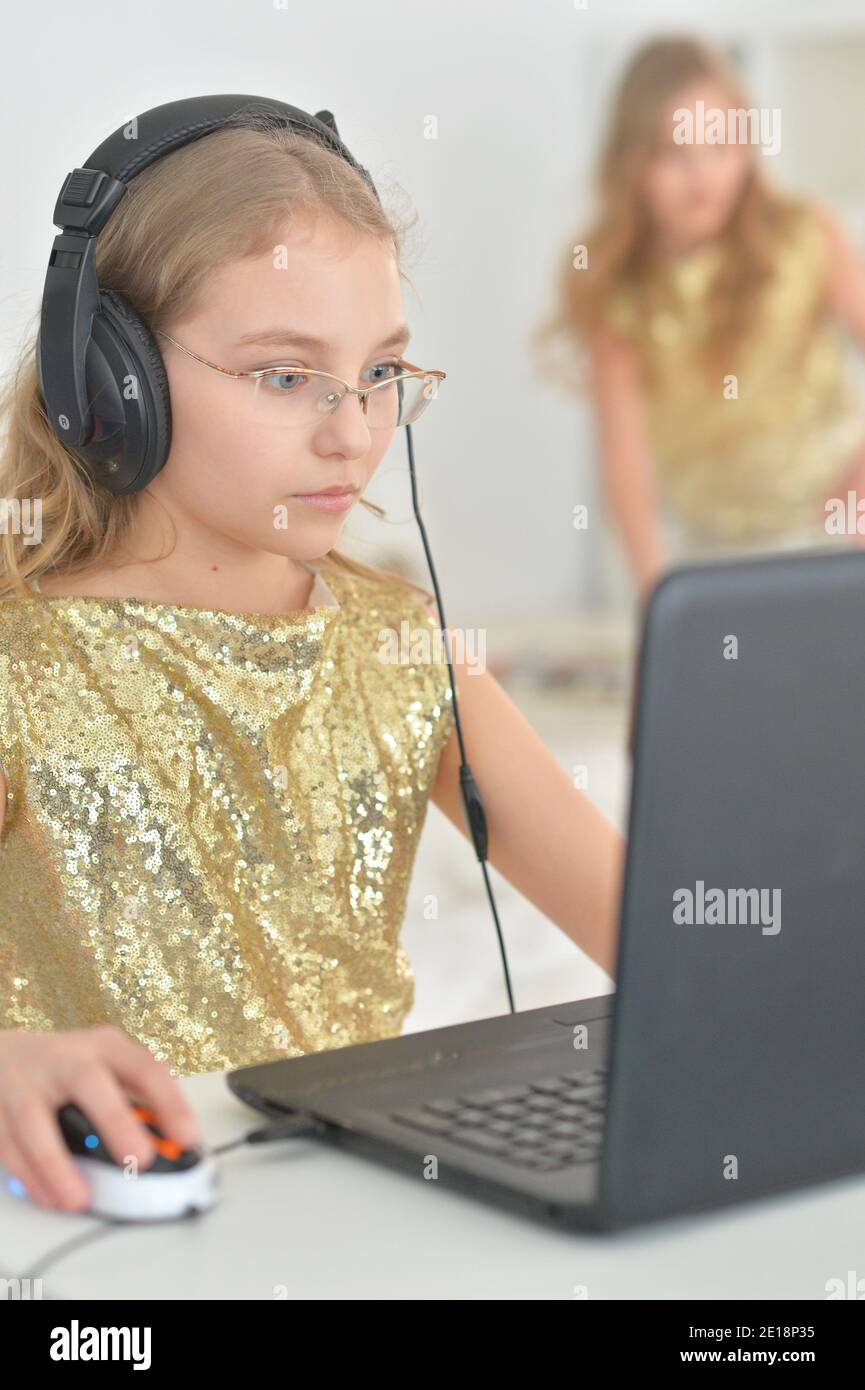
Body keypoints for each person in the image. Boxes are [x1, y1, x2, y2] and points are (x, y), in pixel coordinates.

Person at [0, 113, 625, 1212]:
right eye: (286, 377)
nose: (356, 433)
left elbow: (656, 937)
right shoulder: (26, 663)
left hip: (359, 1214)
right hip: (107, 1225)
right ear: (114, 381)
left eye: (379, 371)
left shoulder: (397, 646)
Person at [534, 37, 865, 604]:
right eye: (673, 154)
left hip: (836, 533)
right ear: (632, 164)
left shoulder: (806, 236)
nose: (702, 176)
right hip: (710, 552)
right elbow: (626, 469)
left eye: (720, 148)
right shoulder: (620, 294)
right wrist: (658, 597)